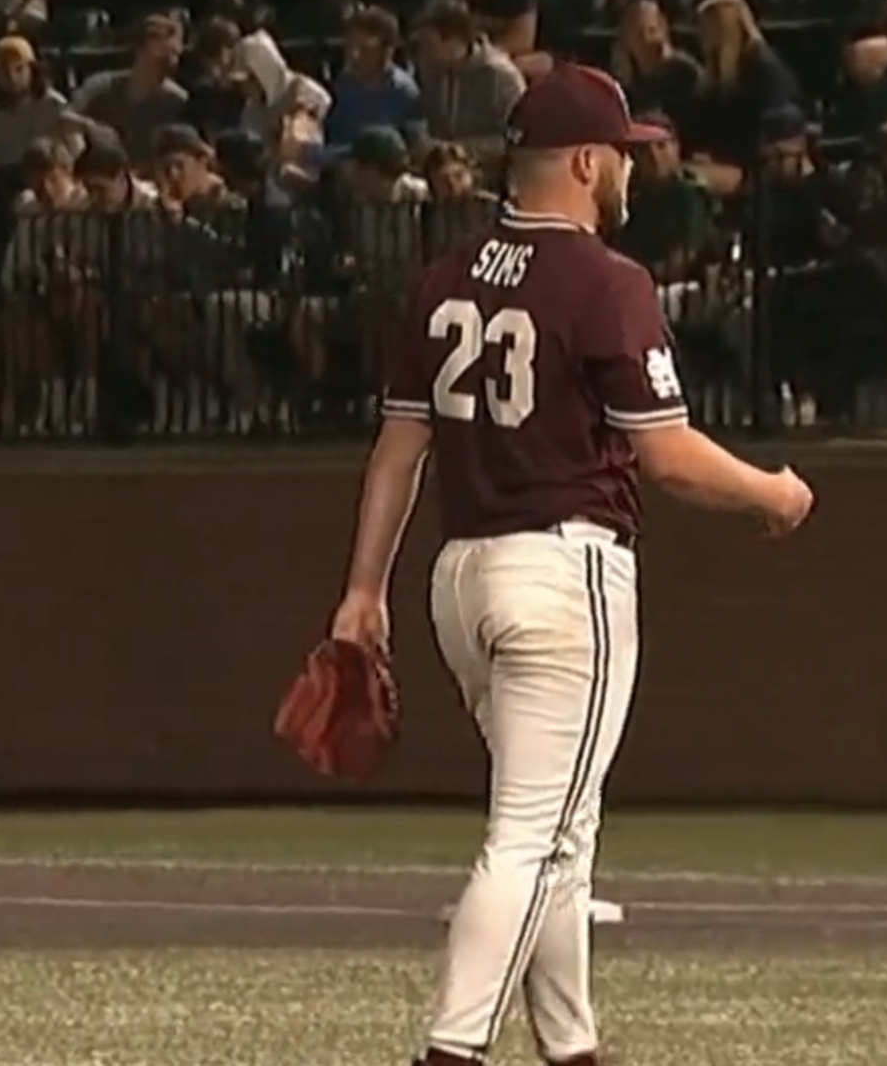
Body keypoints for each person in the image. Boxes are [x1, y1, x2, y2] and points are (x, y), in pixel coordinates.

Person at [325, 62, 815, 1066]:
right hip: (562, 575)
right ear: (588, 162)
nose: (630, 172)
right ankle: (450, 1049)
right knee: (531, 838)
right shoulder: (606, 280)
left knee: (560, 826)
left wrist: (362, 589)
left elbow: (394, 454)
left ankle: (570, 1046)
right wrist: (773, 491)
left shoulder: (441, 277)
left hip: (459, 579)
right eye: (623, 155)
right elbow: (667, 454)